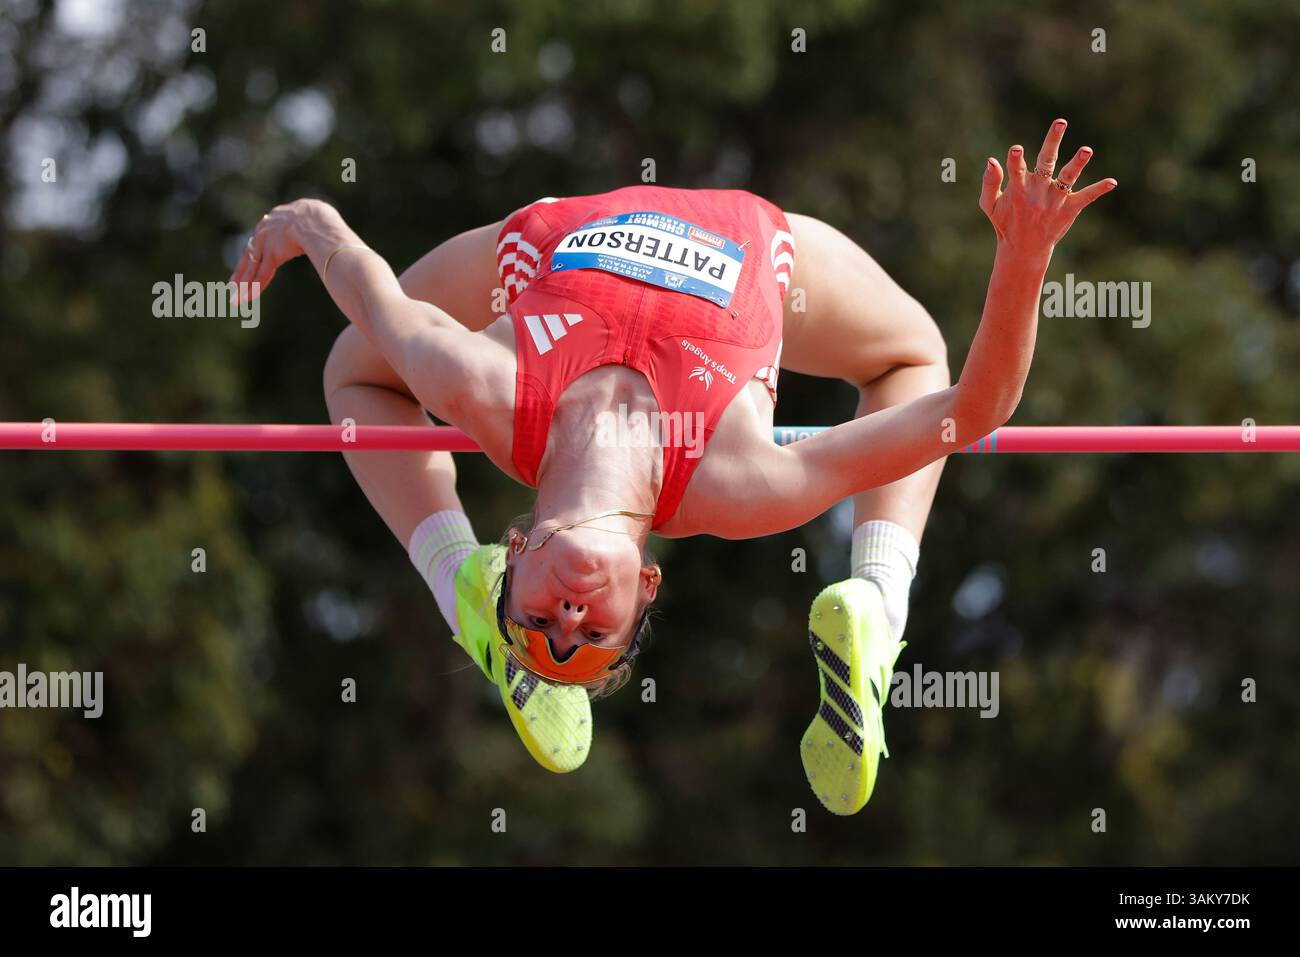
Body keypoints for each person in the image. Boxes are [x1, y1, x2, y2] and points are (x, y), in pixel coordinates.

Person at [231, 119, 1114, 814]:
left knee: (352, 369)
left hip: (554, 230)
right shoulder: (740, 484)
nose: (569, 617)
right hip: (753, 240)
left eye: (540, 621)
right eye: (594, 636)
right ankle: (878, 607)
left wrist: (305, 220)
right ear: (646, 589)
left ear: (516, 550)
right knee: (912, 356)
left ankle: (452, 578)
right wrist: (1024, 259)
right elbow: (973, 408)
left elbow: (366, 286)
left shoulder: (484, 390)